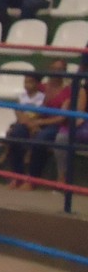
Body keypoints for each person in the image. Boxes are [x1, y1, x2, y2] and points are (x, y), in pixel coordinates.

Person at [17, 59, 72, 189]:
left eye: (60, 70)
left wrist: (40, 122)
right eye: (53, 69)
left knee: (41, 138)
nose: (56, 72)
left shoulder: (68, 91)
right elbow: (23, 103)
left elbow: (61, 117)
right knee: (17, 132)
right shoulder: (41, 87)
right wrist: (27, 121)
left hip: (55, 125)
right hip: (35, 121)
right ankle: (17, 176)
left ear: (65, 72)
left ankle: (33, 179)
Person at [3, 72, 45, 187]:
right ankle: (17, 175)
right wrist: (27, 122)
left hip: (35, 125)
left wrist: (30, 122)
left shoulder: (42, 97)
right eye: (25, 82)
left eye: (30, 82)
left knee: (32, 136)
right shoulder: (20, 97)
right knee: (15, 134)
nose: (27, 85)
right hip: (24, 125)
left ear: (37, 83)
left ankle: (27, 175)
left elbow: (39, 113)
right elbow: (18, 113)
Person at [53, 53, 88, 183]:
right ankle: (62, 177)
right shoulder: (82, 90)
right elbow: (78, 116)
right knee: (61, 138)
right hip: (84, 126)